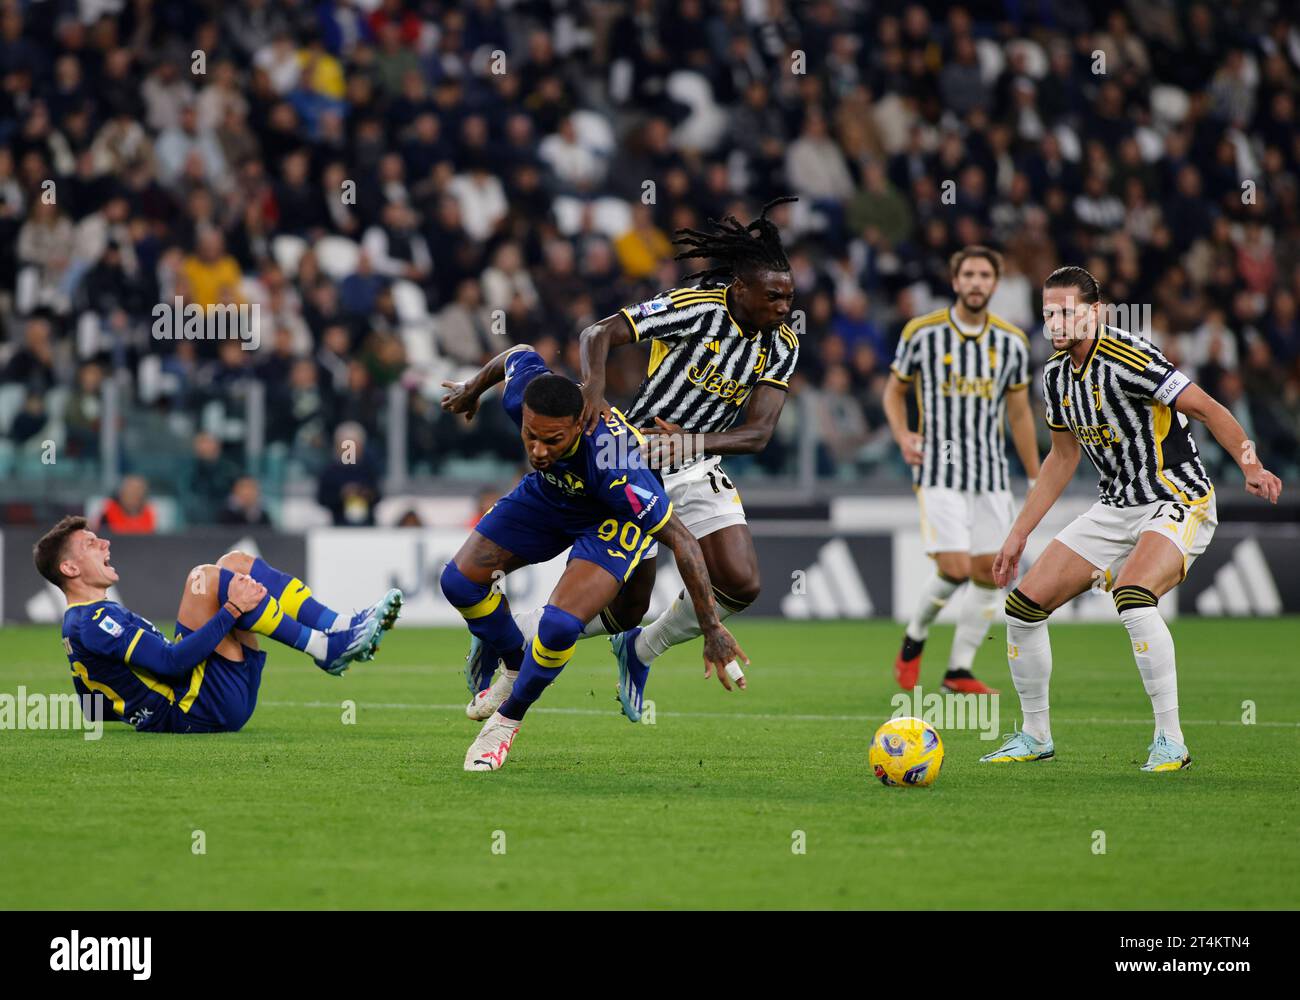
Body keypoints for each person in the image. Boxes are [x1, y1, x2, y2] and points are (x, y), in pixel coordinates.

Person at [468, 197, 801, 724]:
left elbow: (758, 434)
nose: (785, 307)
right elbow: (598, 333)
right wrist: (594, 393)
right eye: (774, 296)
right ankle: (520, 636)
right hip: (632, 454)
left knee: (742, 582)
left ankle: (642, 650)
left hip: (693, 458)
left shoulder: (781, 343)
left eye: (788, 296)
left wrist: (691, 443)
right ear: (741, 289)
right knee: (627, 608)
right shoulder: (696, 307)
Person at [986, 266, 1283, 771]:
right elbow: (1061, 459)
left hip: (1176, 498)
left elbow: (1208, 407)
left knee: (1133, 595)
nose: (1056, 322)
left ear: (1096, 312)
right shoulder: (1056, 376)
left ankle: (1171, 741)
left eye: (1066, 311)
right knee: (1022, 609)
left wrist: (1250, 464)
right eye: (1048, 313)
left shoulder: (1129, 357)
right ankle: (1035, 736)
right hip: (1115, 506)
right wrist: (1017, 536)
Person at [438, 343, 747, 772]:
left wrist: (711, 625)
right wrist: (473, 389)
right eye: (530, 436)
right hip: (550, 496)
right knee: (458, 582)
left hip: (610, 517)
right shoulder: (525, 396)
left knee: (561, 625)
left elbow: (684, 541)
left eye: (553, 440)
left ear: (580, 426)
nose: (539, 450)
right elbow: (518, 353)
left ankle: (504, 725)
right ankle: (513, 666)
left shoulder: (617, 464)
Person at [33, 516, 403, 734]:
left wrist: (131, 710)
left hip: (212, 702)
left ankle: (338, 627)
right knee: (204, 577)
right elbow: (169, 663)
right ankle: (326, 648)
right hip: (198, 708)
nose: (105, 543)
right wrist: (229, 611)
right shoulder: (94, 620)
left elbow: (91, 705)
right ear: (70, 568)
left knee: (235, 562)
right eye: (91, 543)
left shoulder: (82, 623)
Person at [883, 245, 1042, 695]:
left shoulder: (1011, 342)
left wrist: (1034, 478)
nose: (976, 282)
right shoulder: (923, 333)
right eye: (968, 274)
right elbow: (893, 393)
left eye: (984, 275)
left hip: (990, 474)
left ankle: (958, 670)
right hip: (939, 470)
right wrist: (902, 434)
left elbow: (1019, 415)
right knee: (953, 567)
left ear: (995, 284)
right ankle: (914, 638)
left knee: (993, 573)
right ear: (955, 282)